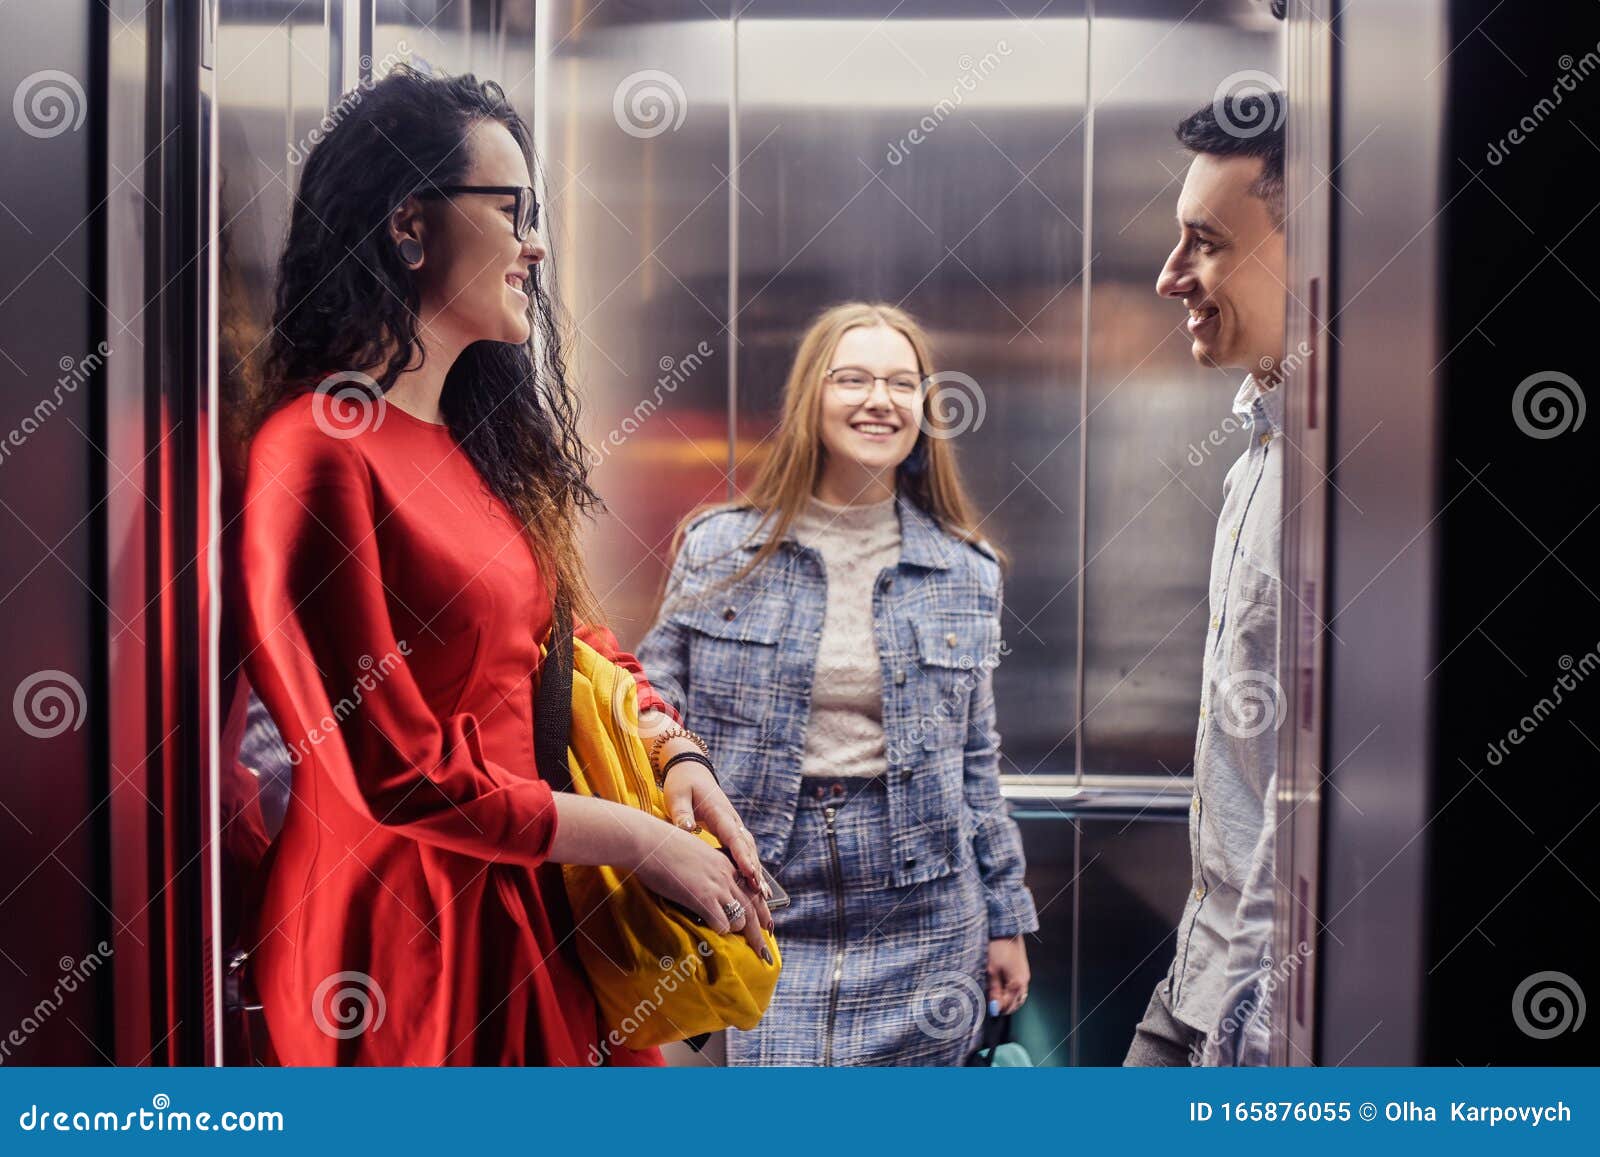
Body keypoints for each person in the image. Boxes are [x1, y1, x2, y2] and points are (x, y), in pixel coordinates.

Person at [236, 65, 771, 1066]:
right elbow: (393, 773)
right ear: (410, 224)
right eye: (511, 209)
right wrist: (645, 841)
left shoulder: (468, 440)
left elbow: (571, 641)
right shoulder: (316, 450)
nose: (535, 244)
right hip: (400, 935)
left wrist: (677, 759)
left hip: (525, 889)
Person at [637, 301, 1038, 1065]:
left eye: (901, 382)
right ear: (810, 399)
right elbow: (651, 707)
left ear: (925, 407)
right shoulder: (720, 546)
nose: (878, 400)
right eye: (852, 378)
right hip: (766, 893)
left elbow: (977, 764)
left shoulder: (965, 568)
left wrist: (1006, 917)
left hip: (924, 906)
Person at [1123, 91, 1288, 1067]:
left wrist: (1248, 1041)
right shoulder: (1253, 457)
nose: (1168, 276)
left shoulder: (1351, 485)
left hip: (1247, 1008)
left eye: (1204, 243)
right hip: (1197, 972)